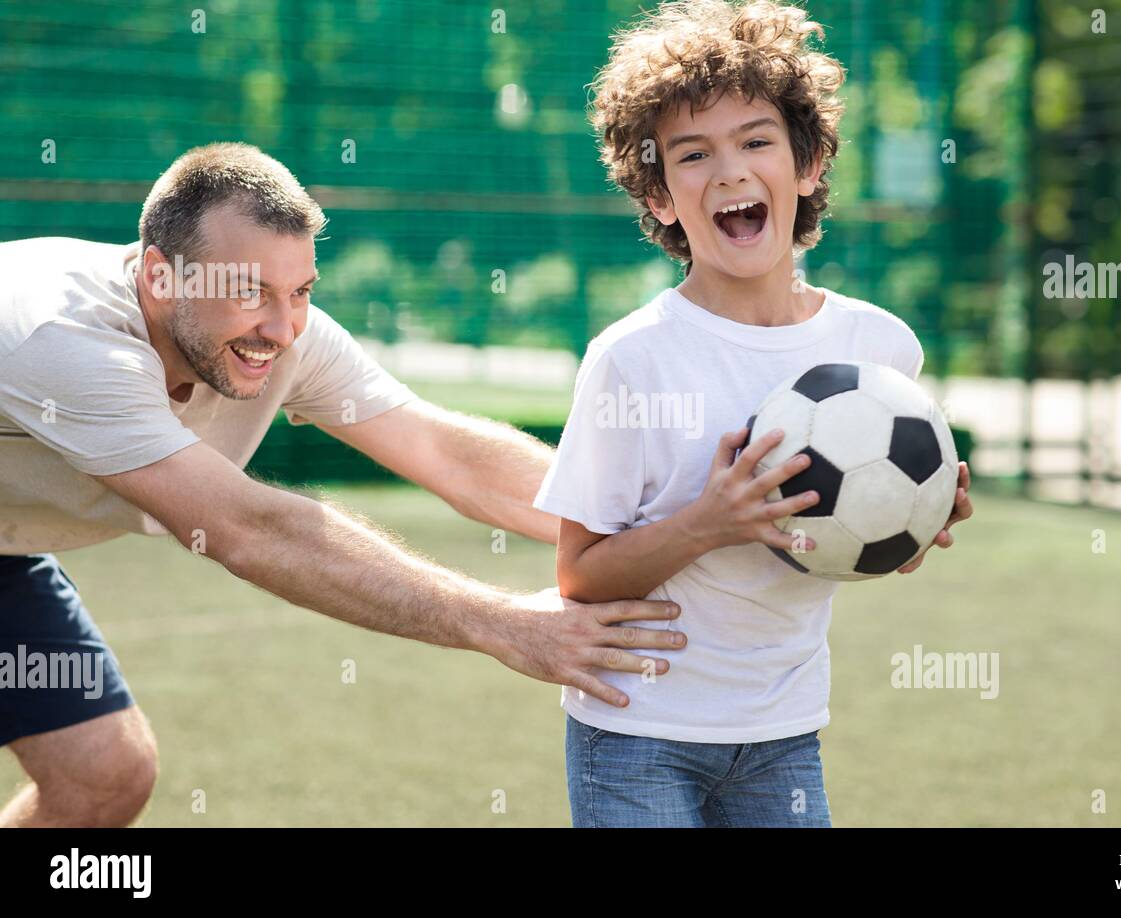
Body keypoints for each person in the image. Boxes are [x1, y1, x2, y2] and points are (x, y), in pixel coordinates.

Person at [0, 142, 685, 828]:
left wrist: (664, 523)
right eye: (248, 292)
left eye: (299, 292)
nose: (280, 328)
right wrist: (500, 622)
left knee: (104, 777)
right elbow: (247, 529)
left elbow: (443, 451)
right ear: (159, 276)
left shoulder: (284, 337)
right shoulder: (67, 340)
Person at [533, 0, 974, 828]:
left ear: (807, 166)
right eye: (693, 155)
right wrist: (711, 521)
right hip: (638, 732)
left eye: (756, 141)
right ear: (661, 196)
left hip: (784, 733)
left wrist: (909, 521)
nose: (729, 171)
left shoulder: (879, 348)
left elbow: (852, 547)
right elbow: (580, 574)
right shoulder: (633, 359)